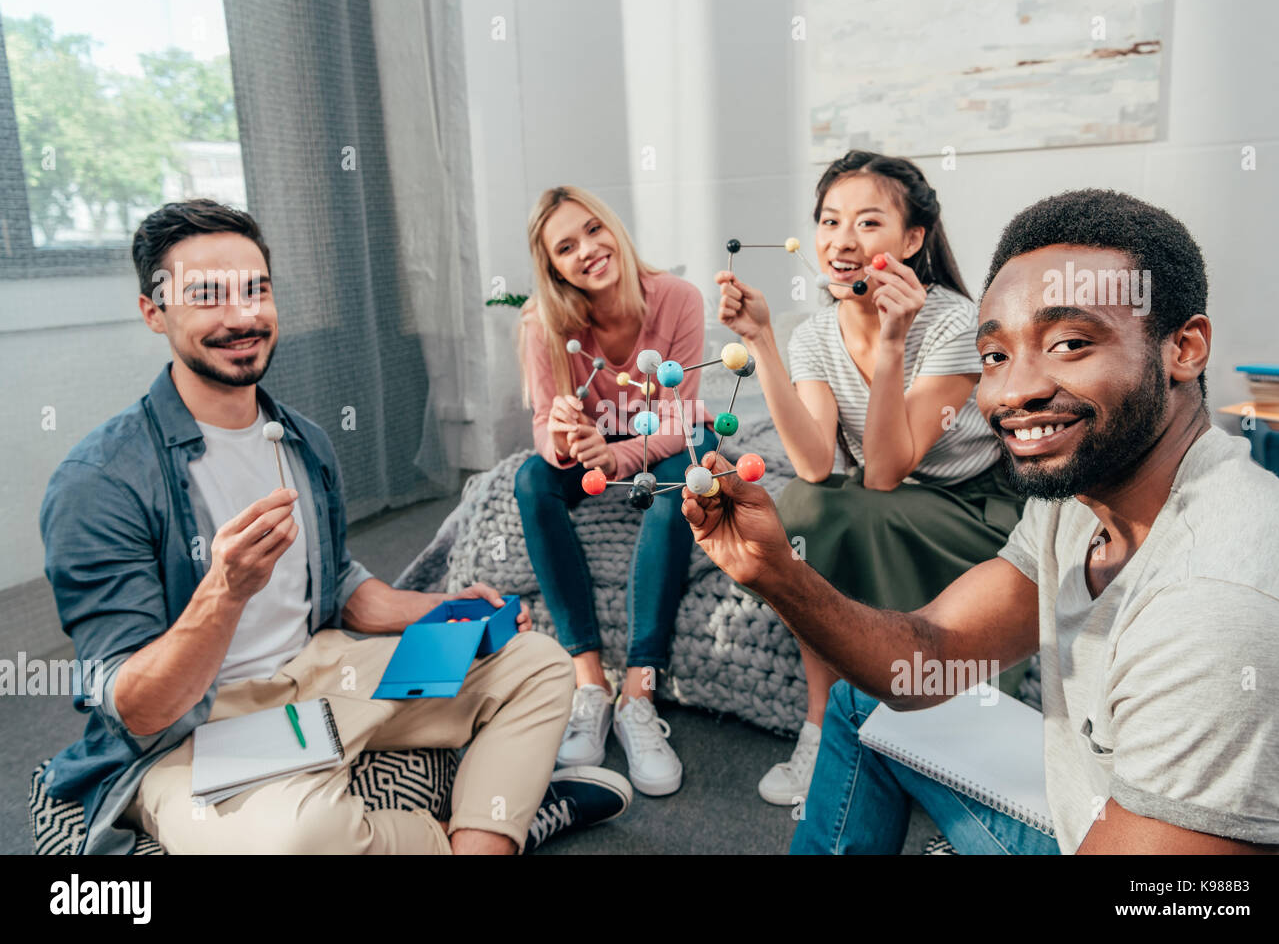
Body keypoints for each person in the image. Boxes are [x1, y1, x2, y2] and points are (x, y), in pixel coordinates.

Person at [684, 189, 1279, 854]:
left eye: (1069, 342)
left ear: (1185, 348)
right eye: (996, 356)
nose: (1013, 392)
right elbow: (932, 651)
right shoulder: (1076, 500)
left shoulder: (1219, 604)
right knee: (861, 706)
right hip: (1083, 799)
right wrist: (776, 571)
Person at [39, 199, 631, 855]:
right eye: (207, 295)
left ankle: (484, 828)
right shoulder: (99, 479)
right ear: (155, 312)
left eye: (256, 289)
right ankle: (499, 828)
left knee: (538, 663)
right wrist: (225, 591)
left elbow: (338, 578)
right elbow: (136, 706)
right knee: (293, 839)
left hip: (323, 671)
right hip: (197, 728)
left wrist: (435, 607)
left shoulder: (303, 440)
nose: (242, 316)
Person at [715, 151, 1023, 805]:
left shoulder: (954, 324)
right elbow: (813, 464)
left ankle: (857, 729)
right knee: (801, 507)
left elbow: (884, 470)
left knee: (829, 510)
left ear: (912, 240)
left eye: (868, 223)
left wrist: (890, 344)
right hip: (879, 507)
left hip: (968, 511)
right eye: (828, 221)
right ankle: (821, 728)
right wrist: (765, 340)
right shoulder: (816, 333)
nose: (840, 241)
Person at [514, 185, 718, 797]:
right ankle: (590, 684)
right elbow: (546, 431)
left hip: (665, 437)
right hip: (593, 448)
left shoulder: (678, 299)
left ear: (615, 230)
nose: (588, 251)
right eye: (566, 247)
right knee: (530, 480)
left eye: (593, 230)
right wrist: (563, 440)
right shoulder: (543, 323)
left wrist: (620, 454)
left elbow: (682, 418)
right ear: (553, 266)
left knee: (683, 478)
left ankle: (639, 693)